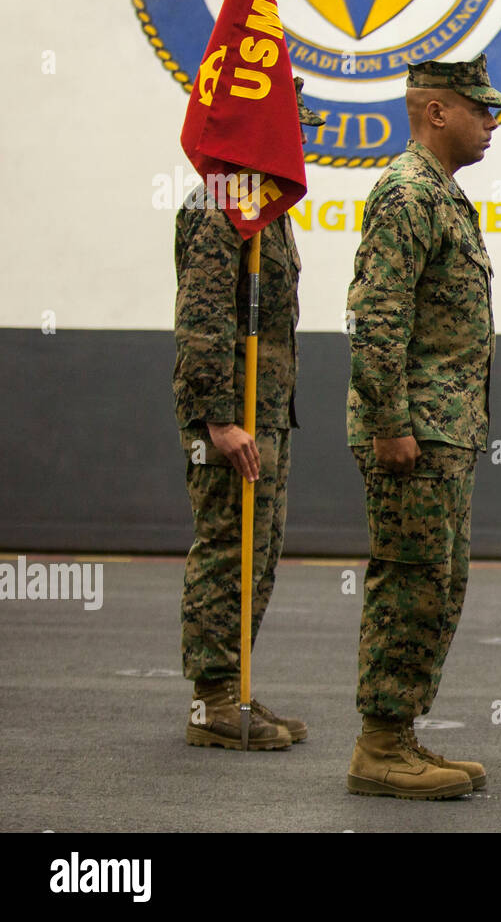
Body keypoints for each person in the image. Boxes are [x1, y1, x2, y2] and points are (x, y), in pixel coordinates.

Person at [344, 53, 501, 799]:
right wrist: (389, 423)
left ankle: (402, 733)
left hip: (446, 428)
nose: (491, 122)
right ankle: (378, 747)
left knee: (439, 585)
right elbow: (379, 317)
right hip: (415, 429)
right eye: (479, 109)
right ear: (435, 111)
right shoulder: (408, 194)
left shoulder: (440, 195)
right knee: (409, 583)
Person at [173, 76, 323, 750]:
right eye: (294, 123)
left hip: (265, 413)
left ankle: (235, 686)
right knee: (226, 550)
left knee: (256, 554)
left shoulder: (264, 206)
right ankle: (211, 703)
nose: (304, 137)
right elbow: (202, 321)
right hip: (231, 420)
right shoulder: (222, 204)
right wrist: (218, 418)